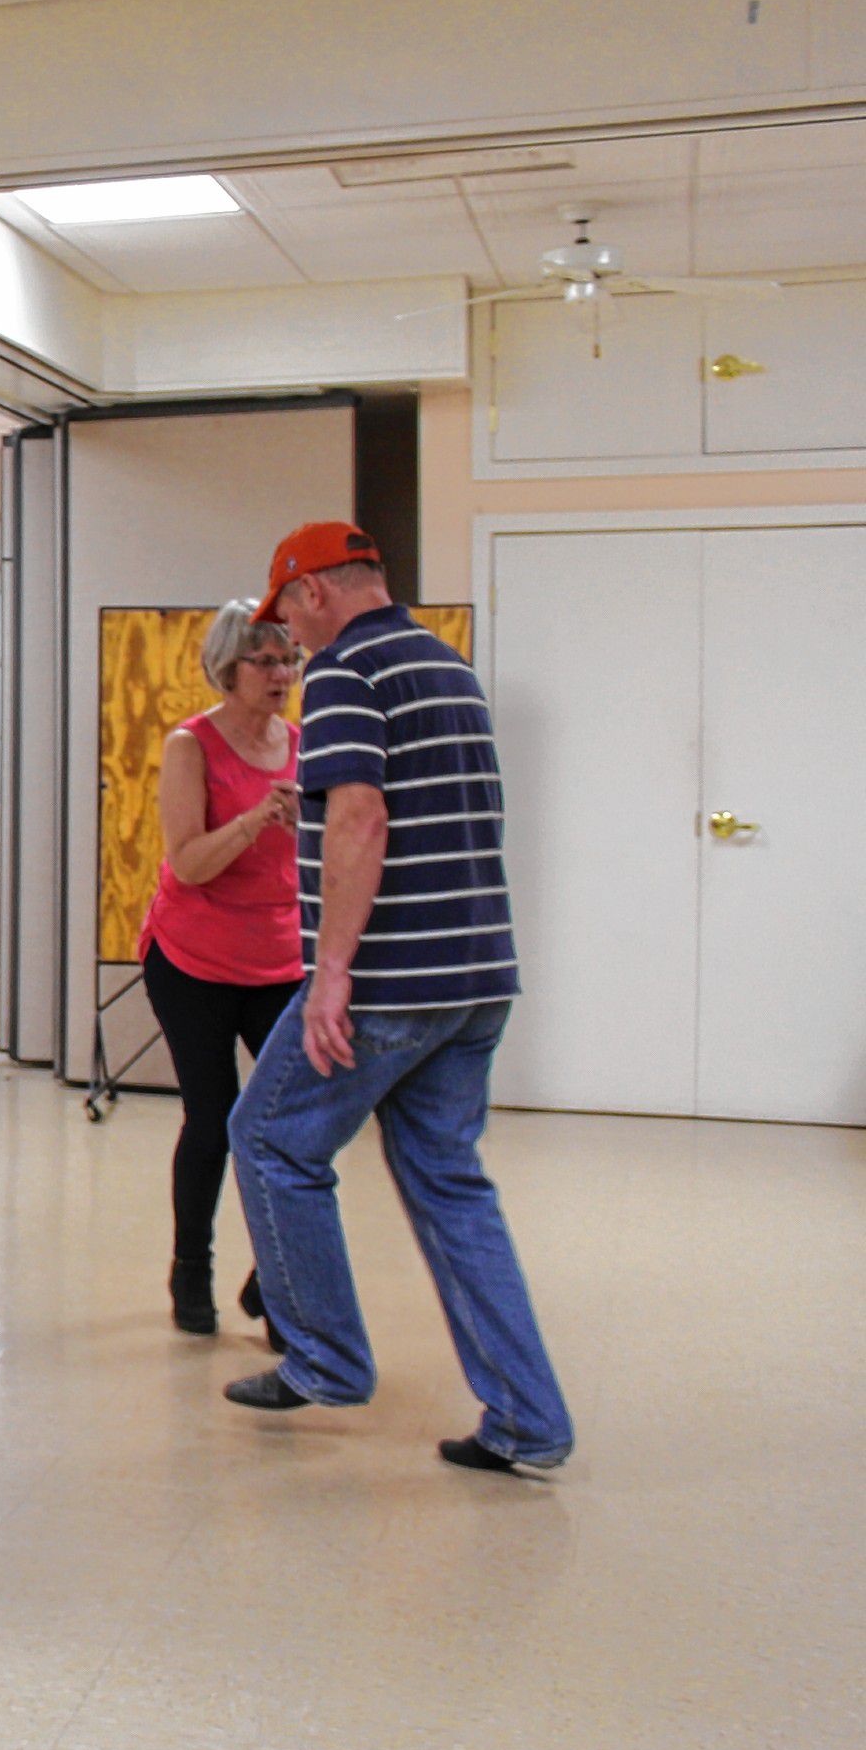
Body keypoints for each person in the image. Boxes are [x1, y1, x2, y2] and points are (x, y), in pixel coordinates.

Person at [220, 521, 576, 1476]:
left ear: (316, 593)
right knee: (453, 1190)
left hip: (390, 981)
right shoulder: (448, 666)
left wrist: (331, 972)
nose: (289, 641)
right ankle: (527, 1420)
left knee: (267, 1137)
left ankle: (325, 1360)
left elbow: (361, 817)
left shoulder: (346, 672)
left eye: (286, 614)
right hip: (475, 977)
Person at [140, 600, 304, 1336]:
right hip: (193, 957)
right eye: (264, 660)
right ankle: (191, 1270)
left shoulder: (304, 743)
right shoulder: (191, 745)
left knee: (287, 1126)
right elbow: (190, 862)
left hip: (280, 957)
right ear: (227, 667)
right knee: (214, 1119)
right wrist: (255, 818)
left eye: (289, 659)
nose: (281, 674)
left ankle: (274, 1279)